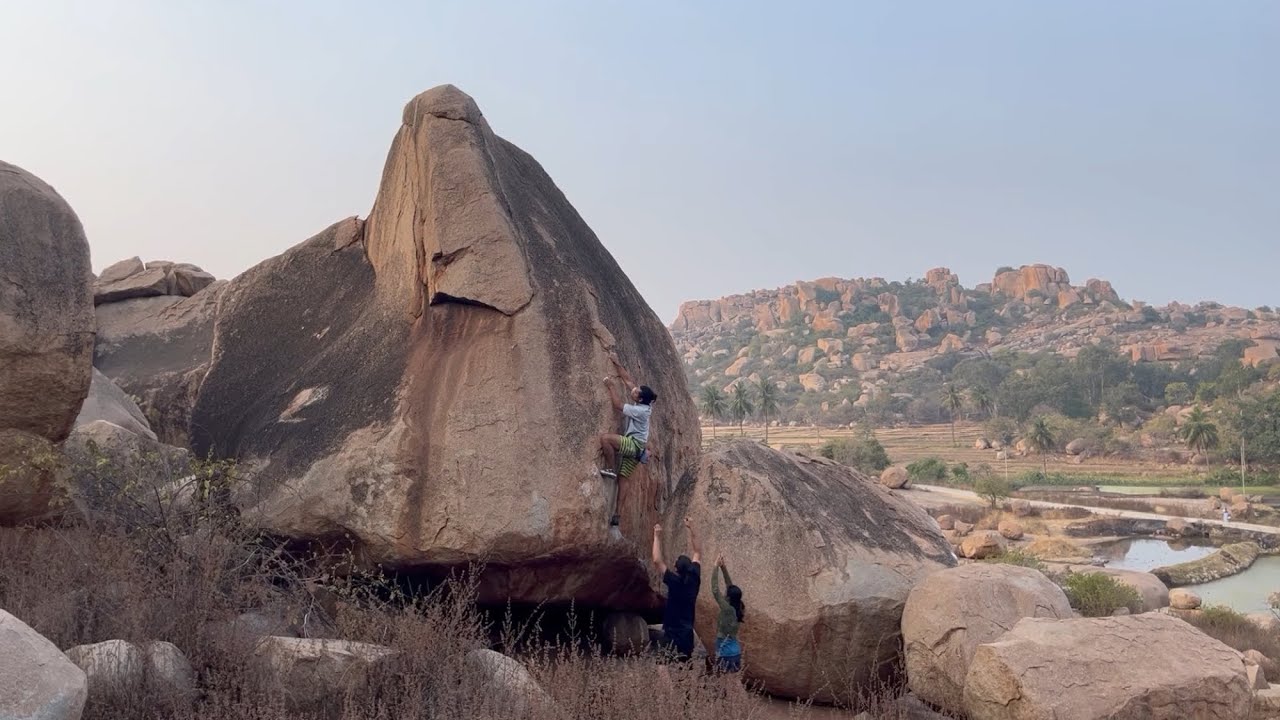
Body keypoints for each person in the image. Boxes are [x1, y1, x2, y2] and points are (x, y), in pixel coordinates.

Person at [599, 355, 656, 480]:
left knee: (606, 439)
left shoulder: (639, 410)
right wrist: (616, 363)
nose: (633, 391)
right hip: (638, 444)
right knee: (623, 480)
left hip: (634, 444)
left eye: (636, 392)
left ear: (640, 399)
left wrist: (611, 386)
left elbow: (618, 405)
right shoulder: (644, 403)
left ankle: (611, 469)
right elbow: (628, 380)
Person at [652, 517, 701, 662]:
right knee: (684, 666)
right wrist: (692, 528)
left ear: (676, 568)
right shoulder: (694, 579)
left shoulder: (674, 581)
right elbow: (697, 551)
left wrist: (656, 536)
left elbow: (656, 560)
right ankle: (683, 685)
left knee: (662, 665)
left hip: (672, 631)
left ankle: (668, 686)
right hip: (687, 632)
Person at [711, 554, 744, 673]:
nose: (725, 593)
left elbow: (715, 590)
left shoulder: (727, 609)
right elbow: (730, 586)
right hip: (735, 652)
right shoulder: (739, 606)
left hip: (725, 653)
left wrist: (715, 567)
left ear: (729, 597)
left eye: (726, 593)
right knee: (732, 684)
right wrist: (723, 567)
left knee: (729, 686)